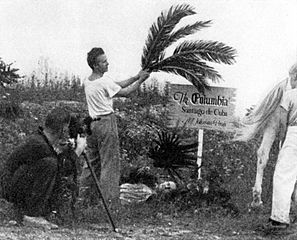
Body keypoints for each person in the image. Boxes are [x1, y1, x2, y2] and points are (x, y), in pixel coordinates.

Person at [80, 47, 150, 208]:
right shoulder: (103, 82)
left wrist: (135, 76)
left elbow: (116, 85)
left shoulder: (89, 81)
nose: (107, 63)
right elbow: (125, 93)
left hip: (92, 124)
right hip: (105, 123)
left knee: (92, 162)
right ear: (96, 65)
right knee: (109, 164)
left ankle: (83, 198)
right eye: (104, 62)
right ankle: (109, 203)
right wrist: (141, 81)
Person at [0, 107, 87, 228]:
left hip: (14, 184)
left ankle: (35, 212)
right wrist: (77, 152)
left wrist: (63, 150)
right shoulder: (39, 145)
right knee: (50, 164)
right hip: (9, 188)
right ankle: (32, 215)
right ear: (63, 129)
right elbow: (60, 169)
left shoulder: (40, 139)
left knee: (51, 163)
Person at [265, 63, 297, 231]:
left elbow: (283, 124)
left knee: (283, 176)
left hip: (293, 134)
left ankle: (279, 219)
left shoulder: (289, 95)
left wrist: (282, 142)